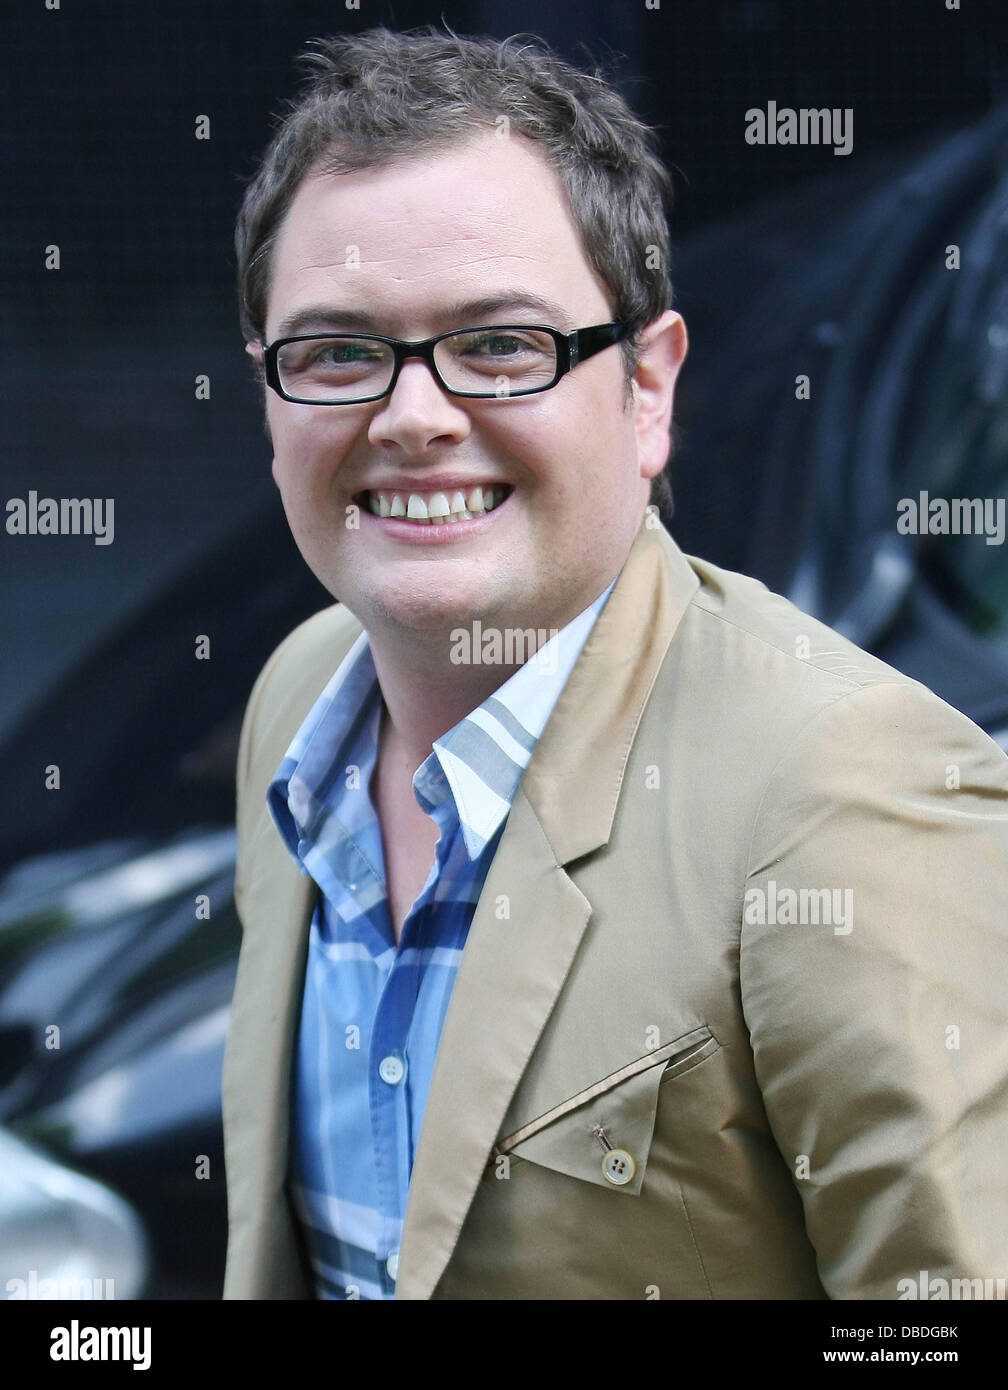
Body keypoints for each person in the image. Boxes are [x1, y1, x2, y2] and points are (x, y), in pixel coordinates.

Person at [222, 25, 1008, 1301]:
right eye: (339, 353)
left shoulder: (845, 790)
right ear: (269, 395)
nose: (413, 417)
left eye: (499, 346)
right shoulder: (298, 698)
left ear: (647, 388)